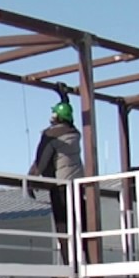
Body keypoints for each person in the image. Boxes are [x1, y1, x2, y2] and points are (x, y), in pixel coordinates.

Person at [29, 101, 84, 264]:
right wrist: (64, 95)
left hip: (60, 186)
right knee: (80, 225)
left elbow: (41, 161)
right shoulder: (74, 133)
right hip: (77, 185)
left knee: (63, 226)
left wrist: (32, 178)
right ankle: (86, 260)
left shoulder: (51, 136)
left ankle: (70, 264)